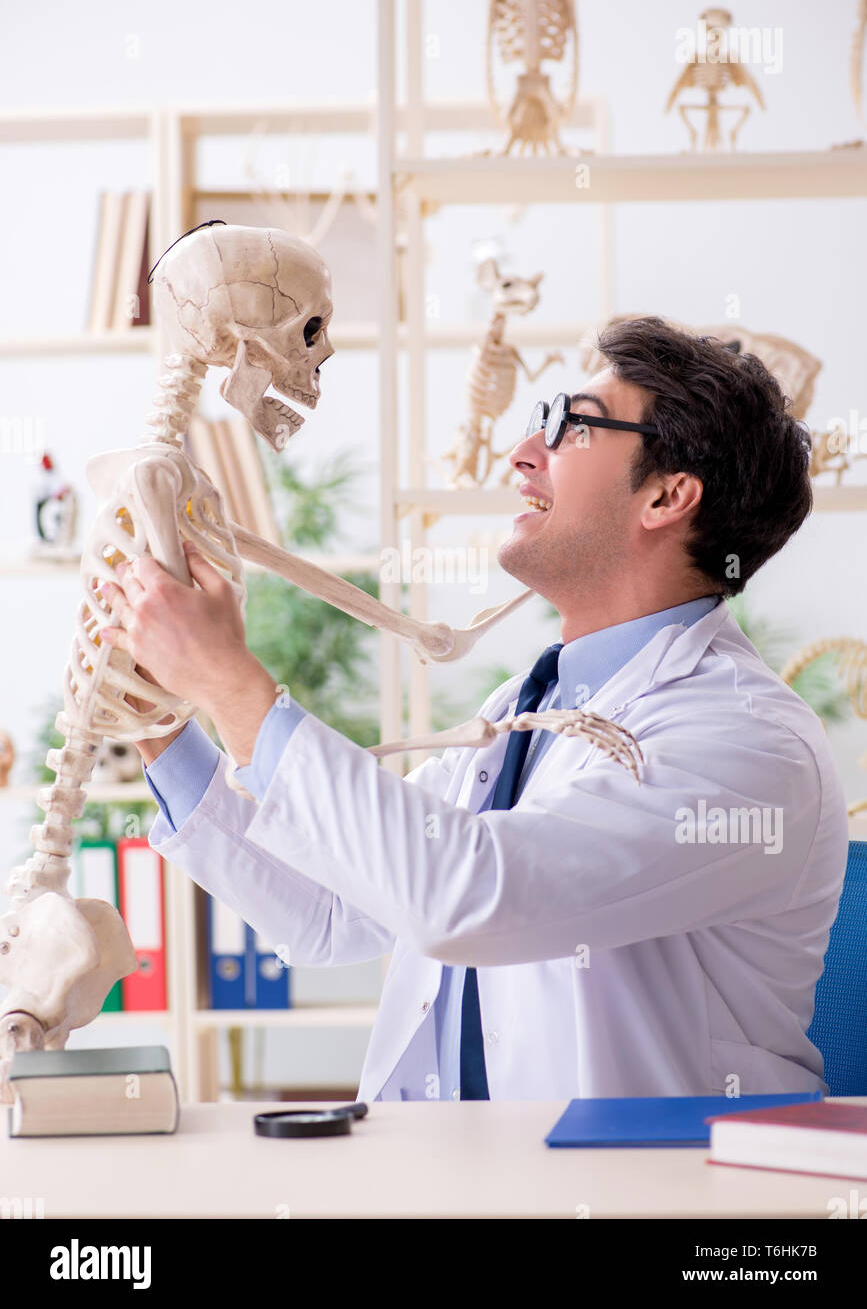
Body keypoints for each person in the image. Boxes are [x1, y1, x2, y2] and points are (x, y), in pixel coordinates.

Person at [100, 315, 848, 1102]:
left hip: (640, 1189)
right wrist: (163, 725)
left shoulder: (746, 740)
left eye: (569, 426)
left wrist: (228, 680)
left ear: (667, 495)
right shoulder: (527, 707)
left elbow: (468, 899)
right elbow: (331, 909)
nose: (522, 453)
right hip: (455, 1171)